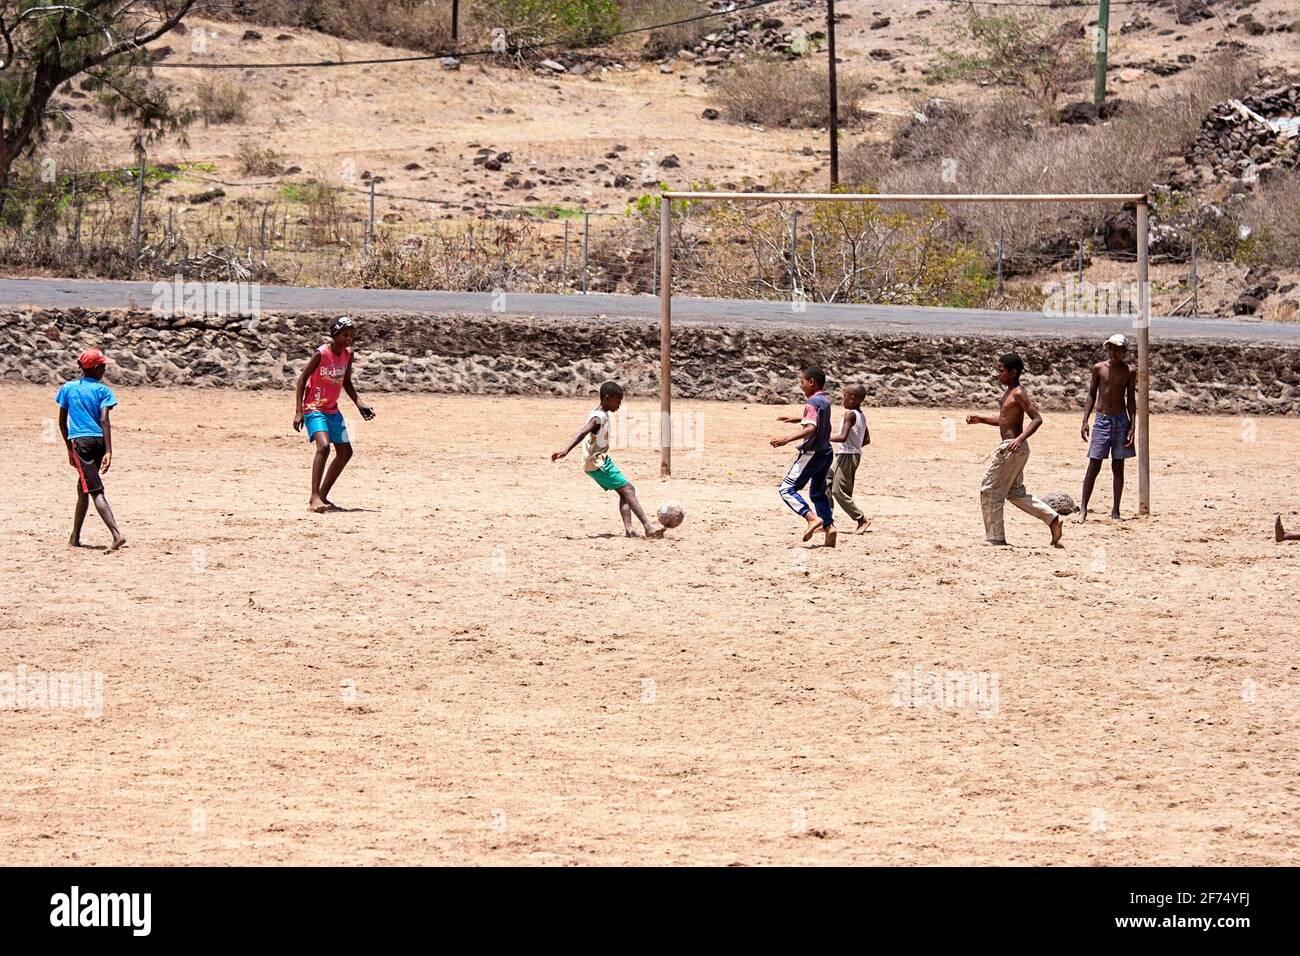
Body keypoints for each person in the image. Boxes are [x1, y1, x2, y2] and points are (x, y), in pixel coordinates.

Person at [966, 352, 1064, 547]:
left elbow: (1037, 419)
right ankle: (1052, 519)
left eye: (1001, 371)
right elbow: (1005, 421)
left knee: (990, 489)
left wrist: (1020, 439)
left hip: (1012, 448)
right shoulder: (1009, 392)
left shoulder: (1018, 393)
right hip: (1015, 448)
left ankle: (995, 538)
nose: (998, 374)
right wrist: (981, 419)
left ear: (1013, 372)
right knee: (1014, 492)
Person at [551, 381, 664, 538]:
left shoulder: (601, 414)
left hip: (600, 460)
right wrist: (566, 450)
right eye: (617, 401)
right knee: (629, 489)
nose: (619, 404)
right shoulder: (597, 418)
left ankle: (630, 530)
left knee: (624, 492)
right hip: (598, 463)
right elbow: (582, 433)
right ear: (607, 398)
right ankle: (648, 526)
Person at [293, 316, 375, 513]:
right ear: (335, 335)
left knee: (346, 452)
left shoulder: (348, 354)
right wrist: (299, 411)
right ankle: (314, 497)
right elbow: (302, 380)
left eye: (351, 335)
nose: (349, 338)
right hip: (314, 407)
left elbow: (346, 382)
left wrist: (359, 403)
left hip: (332, 409)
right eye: (345, 335)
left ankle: (323, 496)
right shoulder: (321, 354)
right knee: (323, 446)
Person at [56, 348, 126, 550]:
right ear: (95, 369)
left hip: (81, 443)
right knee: (83, 488)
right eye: (103, 366)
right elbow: (104, 419)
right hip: (98, 441)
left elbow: (62, 422)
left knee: (95, 490)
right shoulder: (103, 391)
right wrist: (108, 450)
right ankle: (75, 536)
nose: (105, 369)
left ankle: (116, 534)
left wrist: (70, 449)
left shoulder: (68, 389)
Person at [773, 366, 837, 547]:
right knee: (818, 492)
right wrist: (795, 418)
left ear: (811, 382)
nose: (801, 386)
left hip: (812, 453)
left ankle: (811, 518)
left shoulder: (811, 403)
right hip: (826, 452)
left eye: (802, 382)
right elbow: (818, 419)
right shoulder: (824, 400)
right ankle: (829, 526)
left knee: (786, 489)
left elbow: (811, 428)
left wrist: (786, 439)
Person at [1077, 333, 1137, 522]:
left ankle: (1116, 511)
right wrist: (1085, 420)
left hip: (1120, 421)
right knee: (1094, 463)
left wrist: (1132, 427)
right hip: (1102, 420)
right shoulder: (1099, 369)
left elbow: (1131, 401)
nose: (1113, 352)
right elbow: (1091, 395)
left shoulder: (1129, 371)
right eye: (1110, 349)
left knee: (1118, 466)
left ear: (1124, 351)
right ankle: (1083, 509)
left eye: (1118, 349)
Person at [829, 383, 871, 534]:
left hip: (847, 455)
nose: (843, 399)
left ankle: (861, 519)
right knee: (825, 482)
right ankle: (827, 520)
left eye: (844, 396)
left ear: (852, 398)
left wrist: (824, 437)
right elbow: (866, 440)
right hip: (848, 454)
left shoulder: (849, 414)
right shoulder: (861, 415)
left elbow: (842, 437)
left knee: (838, 491)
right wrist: (854, 447)